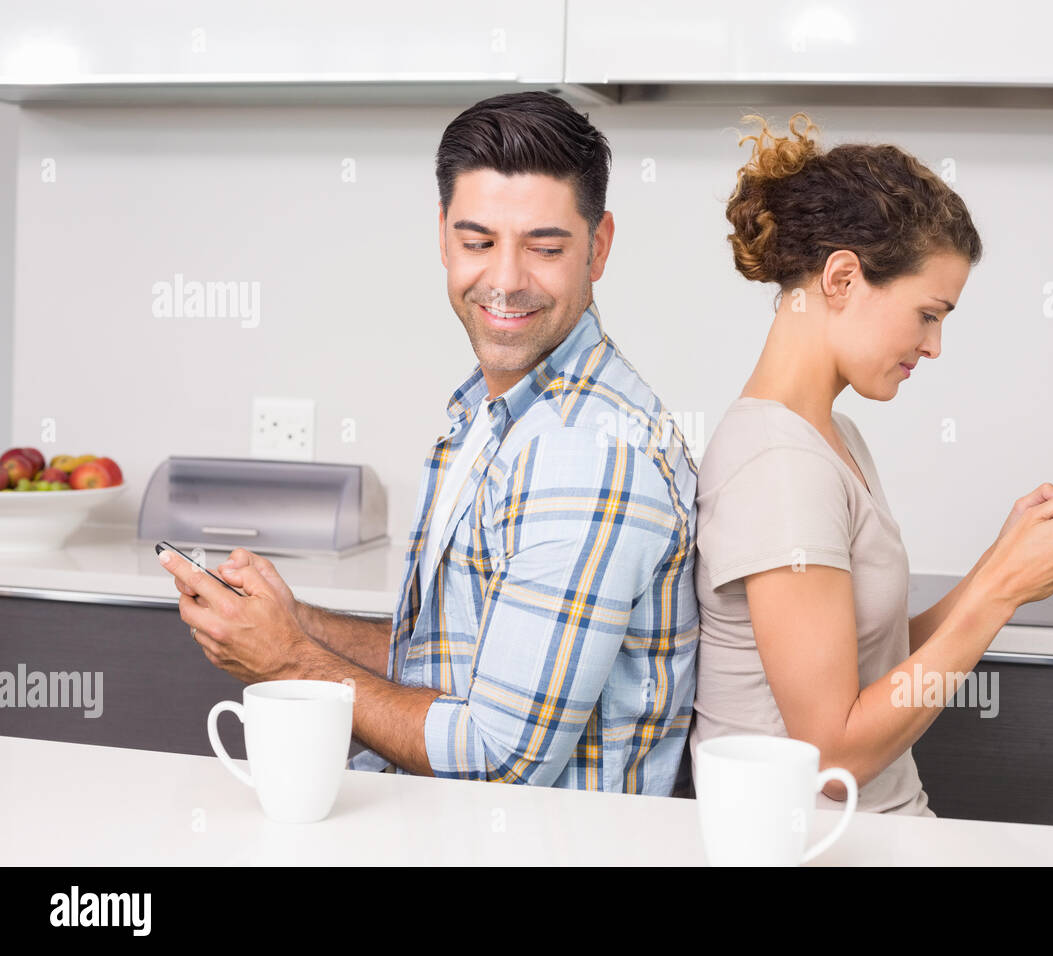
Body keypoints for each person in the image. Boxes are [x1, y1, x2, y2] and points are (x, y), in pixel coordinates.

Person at [160, 91, 698, 795]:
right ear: (443, 236)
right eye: (479, 243)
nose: (505, 281)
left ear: (598, 248)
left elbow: (498, 756)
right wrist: (297, 624)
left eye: (544, 247)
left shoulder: (588, 453)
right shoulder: (493, 412)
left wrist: (290, 660)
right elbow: (449, 667)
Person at [689, 112, 1053, 814]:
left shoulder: (831, 437)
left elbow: (878, 665)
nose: (935, 346)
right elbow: (831, 755)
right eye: (929, 313)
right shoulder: (778, 467)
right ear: (840, 278)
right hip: (816, 846)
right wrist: (1001, 592)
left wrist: (999, 564)